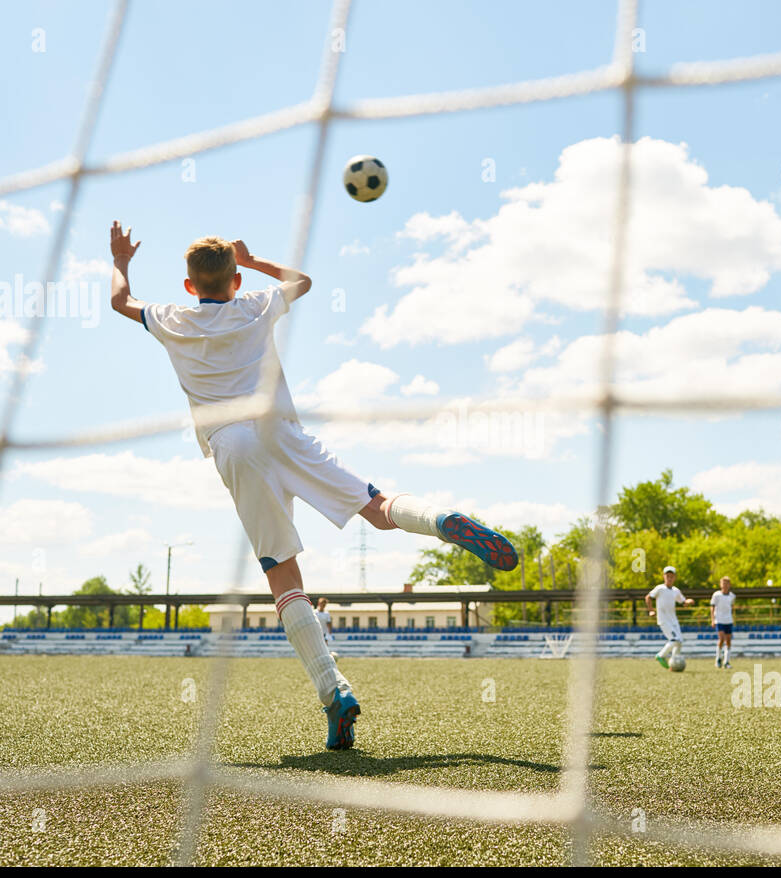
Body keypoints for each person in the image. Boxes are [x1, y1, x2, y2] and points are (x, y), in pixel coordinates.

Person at [109, 225, 519, 749]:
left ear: (190, 286)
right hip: (282, 431)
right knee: (377, 506)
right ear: (232, 280)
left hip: (232, 444)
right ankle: (441, 521)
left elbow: (120, 300)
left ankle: (334, 691)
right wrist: (254, 261)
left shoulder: (173, 316)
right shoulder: (255, 303)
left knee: (282, 573)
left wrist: (121, 259)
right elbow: (302, 280)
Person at [646, 566, 694, 669]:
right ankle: (661, 655)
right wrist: (651, 610)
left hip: (673, 620)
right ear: (664, 577)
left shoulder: (676, 590)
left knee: (679, 642)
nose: (669, 578)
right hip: (663, 620)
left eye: (671, 576)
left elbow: (683, 602)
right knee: (674, 639)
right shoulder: (660, 588)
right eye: (667, 576)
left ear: (675, 577)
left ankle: (674, 663)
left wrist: (688, 602)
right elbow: (648, 597)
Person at [710, 576, 736, 668]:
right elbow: (712, 607)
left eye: (727, 583)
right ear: (720, 584)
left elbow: (732, 607)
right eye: (723, 583)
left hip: (728, 620)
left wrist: (733, 618)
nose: (725, 585)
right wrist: (713, 619)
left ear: (729, 585)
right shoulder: (716, 595)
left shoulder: (732, 596)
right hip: (719, 620)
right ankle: (718, 659)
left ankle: (726, 662)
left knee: (728, 641)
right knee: (721, 639)